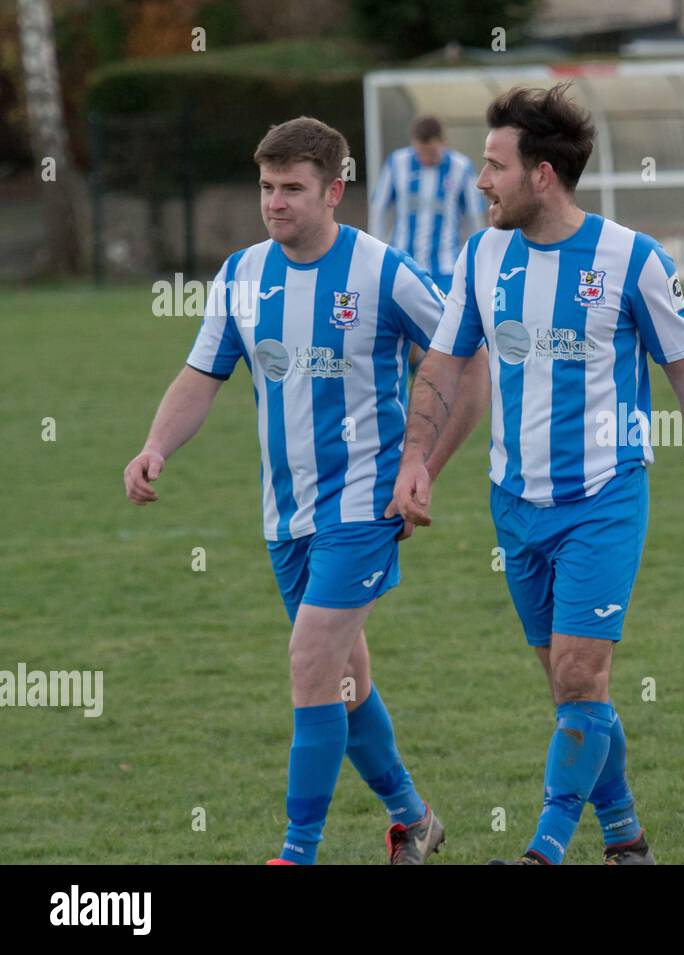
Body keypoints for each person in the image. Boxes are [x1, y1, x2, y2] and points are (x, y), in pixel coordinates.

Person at [387, 83, 684, 866]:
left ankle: (544, 851)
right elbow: (443, 367)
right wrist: (417, 458)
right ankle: (627, 841)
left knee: (583, 672)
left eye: (494, 166)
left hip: (605, 497)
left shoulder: (631, 260)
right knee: (570, 687)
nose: (480, 181)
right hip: (515, 502)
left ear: (542, 174)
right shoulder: (482, 254)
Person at [123, 116, 489, 865]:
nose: (275, 202)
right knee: (343, 678)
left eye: (293, 188)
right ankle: (414, 818)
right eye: (267, 186)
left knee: (311, 660)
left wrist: (422, 467)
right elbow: (202, 376)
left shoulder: (384, 272)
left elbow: (465, 365)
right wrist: (156, 444)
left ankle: (297, 851)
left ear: (336, 190)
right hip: (284, 514)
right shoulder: (241, 274)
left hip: (363, 505)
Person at [368, 114, 485, 294]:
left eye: (431, 153)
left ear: (444, 142)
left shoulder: (461, 167)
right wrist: (378, 250)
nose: (425, 158)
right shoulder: (397, 162)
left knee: (444, 320)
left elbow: (474, 215)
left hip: (445, 267)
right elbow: (379, 207)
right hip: (403, 265)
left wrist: (474, 258)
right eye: (419, 152)